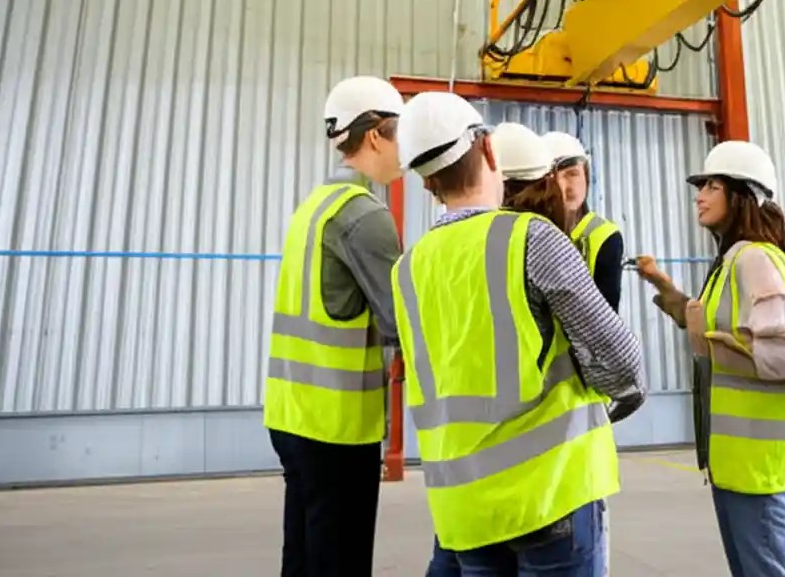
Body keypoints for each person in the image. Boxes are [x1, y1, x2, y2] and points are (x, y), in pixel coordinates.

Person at [392, 93, 646, 576]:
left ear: (427, 183)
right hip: (550, 493)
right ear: (488, 150)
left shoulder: (406, 268)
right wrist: (626, 396)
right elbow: (619, 362)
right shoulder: (531, 237)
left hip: (463, 506)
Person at [634, 140, 785, 577]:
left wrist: (714, 350)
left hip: (760, 465)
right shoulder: (731, 260)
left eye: (712, 186)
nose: (699, 196)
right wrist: (661, 284)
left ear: (742, 196)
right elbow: (703, 320)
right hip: (736, 462)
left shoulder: (755, 259)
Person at [263, 75, 405, 577]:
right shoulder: (364, 215)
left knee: (302, 556)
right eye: (401, 133)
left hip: (291, 413)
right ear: (376, 136)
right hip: (337, 425)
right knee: (339, 563)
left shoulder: (313, 206)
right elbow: (401, 322)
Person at [542, 131, 624, 311]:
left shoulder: (603, 235)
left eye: (572, 174)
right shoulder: (533, 231)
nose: (565, 187)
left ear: (586, 176)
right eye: (553, 178)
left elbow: (606, 314)